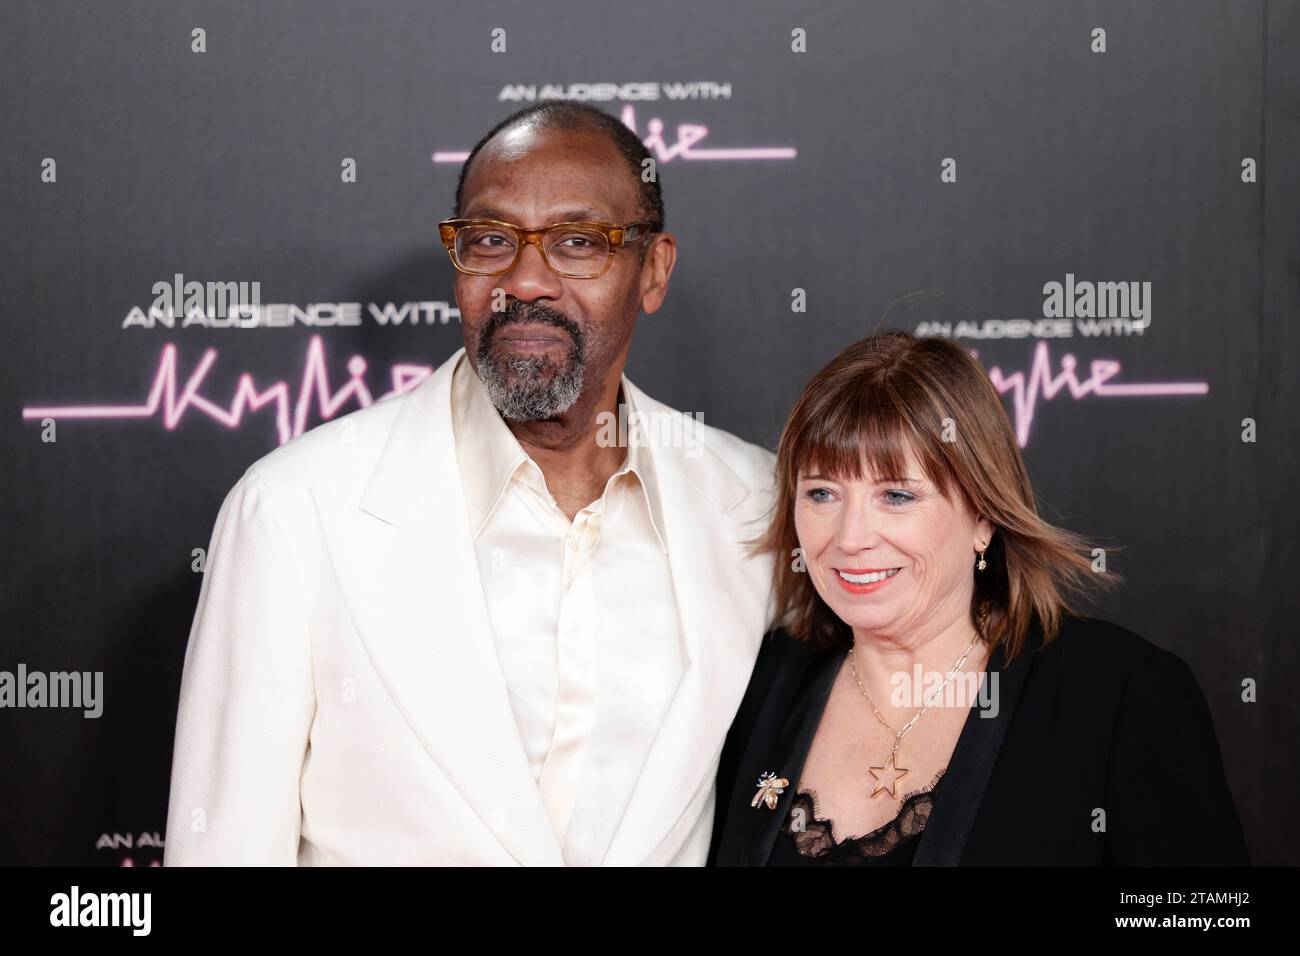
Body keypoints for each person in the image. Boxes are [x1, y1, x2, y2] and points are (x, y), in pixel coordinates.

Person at [163, 102, 777, 866]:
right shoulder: (293, 510)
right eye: (490, 241)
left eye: (577, 243)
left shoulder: (756, 502)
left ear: (652, 272)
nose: (525, 281)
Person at [710, 331, 1250, 866]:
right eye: (822, 493)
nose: (850, 537)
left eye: (896, 495)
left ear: (984, 516)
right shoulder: (759, 683)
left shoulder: (1121, 694)